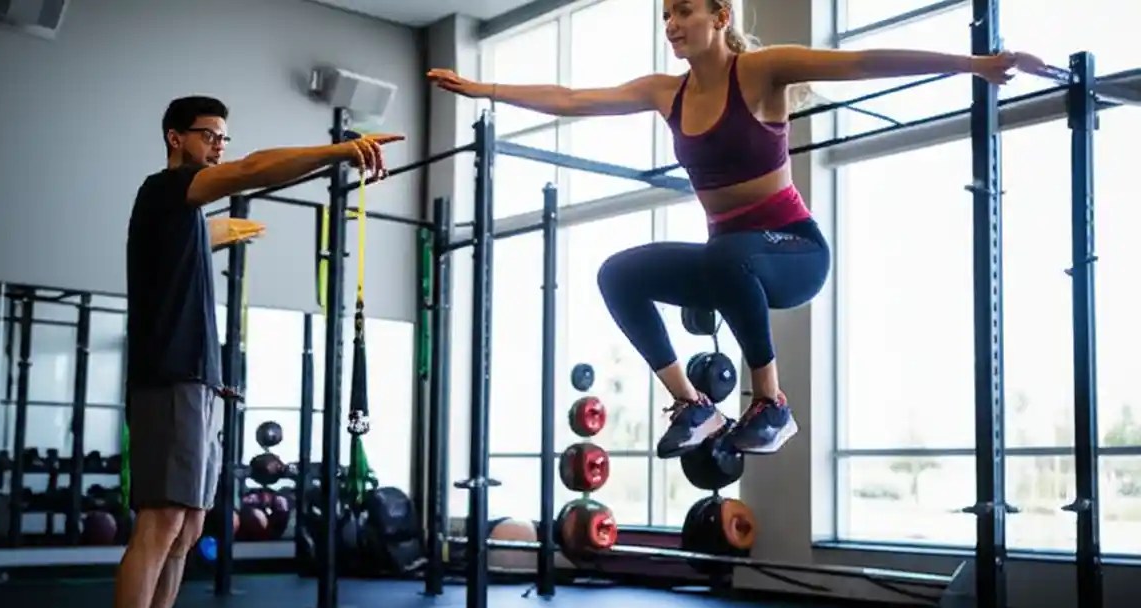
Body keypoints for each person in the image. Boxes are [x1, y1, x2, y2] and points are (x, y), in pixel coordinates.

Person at [428, 0, 1045, 459]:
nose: (672, 25)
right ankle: (692, 405)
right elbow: (570, 98)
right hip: (733, 259)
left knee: (729, 256)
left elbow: (860, 62)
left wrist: (972, 64)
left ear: (720, 16)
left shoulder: (760, 71)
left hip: (794, 252)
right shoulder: (664, 92)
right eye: (665, 15)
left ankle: (771, 402)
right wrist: (483, 88)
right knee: (619, 274)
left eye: (684, 11)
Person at [93, 95, 402, 608]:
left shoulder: (185, 220)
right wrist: (340, 151)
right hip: (168, 381)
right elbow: (255, 170)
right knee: (160, 525)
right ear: (175, 137)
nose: (218, 146)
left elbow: (211, 218)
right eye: (209, 135)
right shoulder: (164, 190)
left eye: (223, 138)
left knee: (188, 528)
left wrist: (221, 234)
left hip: (200, 383)